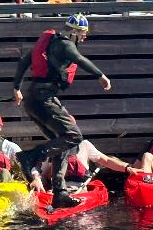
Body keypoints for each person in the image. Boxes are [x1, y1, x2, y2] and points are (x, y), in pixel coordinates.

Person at [12, 13, 112, 208]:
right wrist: (100, 75)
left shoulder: (50, 43)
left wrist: (17, 87)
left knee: (62, 141)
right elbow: (79, 59)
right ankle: (30, 156)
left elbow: (24, 61)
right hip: (44, 99)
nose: (85, 37)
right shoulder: (66, 44)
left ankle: (60, 193)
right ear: (74, 32)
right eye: (83, 33)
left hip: (33, 99)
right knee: (74, 135)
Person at [29, 137, 138, 193]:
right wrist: (36, 179)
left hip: (79, 190)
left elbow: (106, 160)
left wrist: (126, 168)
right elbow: (37, 169)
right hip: (56, 191)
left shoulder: (84, 145)